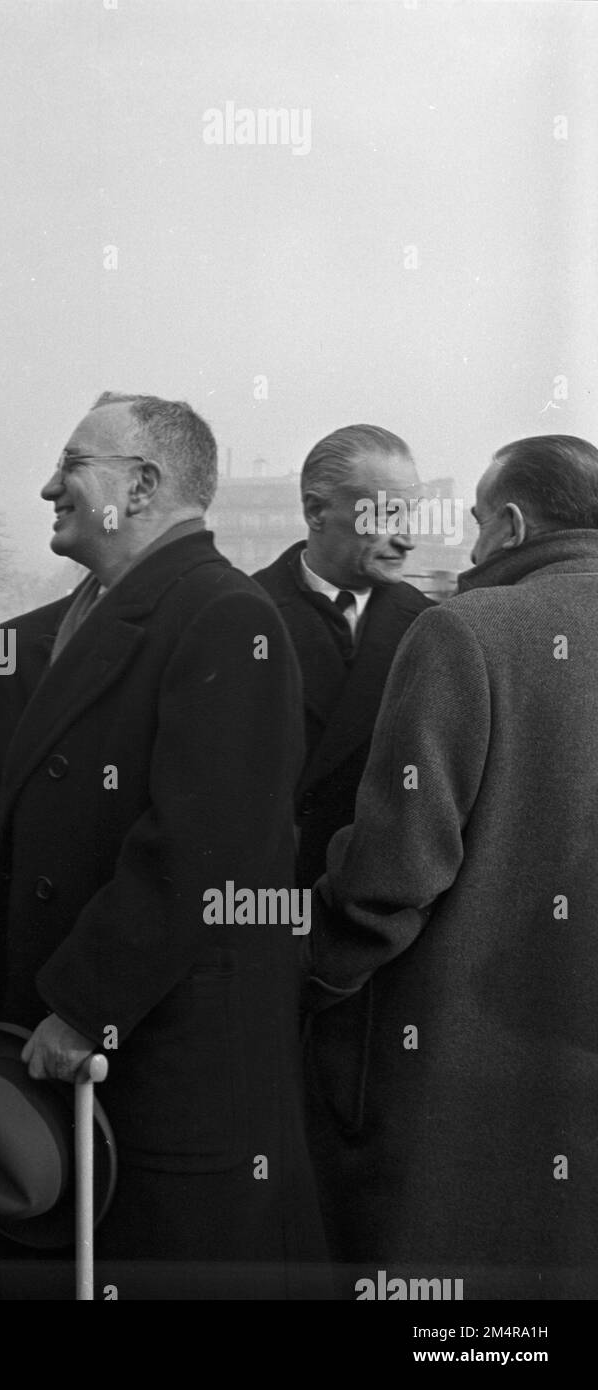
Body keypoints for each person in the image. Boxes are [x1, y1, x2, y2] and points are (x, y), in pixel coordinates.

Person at [0, 391, 325, 1299]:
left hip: (159, 1067)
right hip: (96, 1062)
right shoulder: (110, 608)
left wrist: (85, 1006)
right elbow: (50, 810)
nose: (49, 487)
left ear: (144, 484)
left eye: (72, 465)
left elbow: (204, 848)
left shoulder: (221, 615)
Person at [307, 434, 598, 1299]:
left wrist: (314, 978)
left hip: (459, 1081)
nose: (467, 549)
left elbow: (391, 876)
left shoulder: (467, 632)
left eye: (475, 523)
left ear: (510, 524)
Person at [253, 426, 433, 887]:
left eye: (410, 516)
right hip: (262, 900)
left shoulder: (435, 627)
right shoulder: (238, 613)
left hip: (376, 906)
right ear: (316, 511)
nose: (407, 540)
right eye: (387, 516)